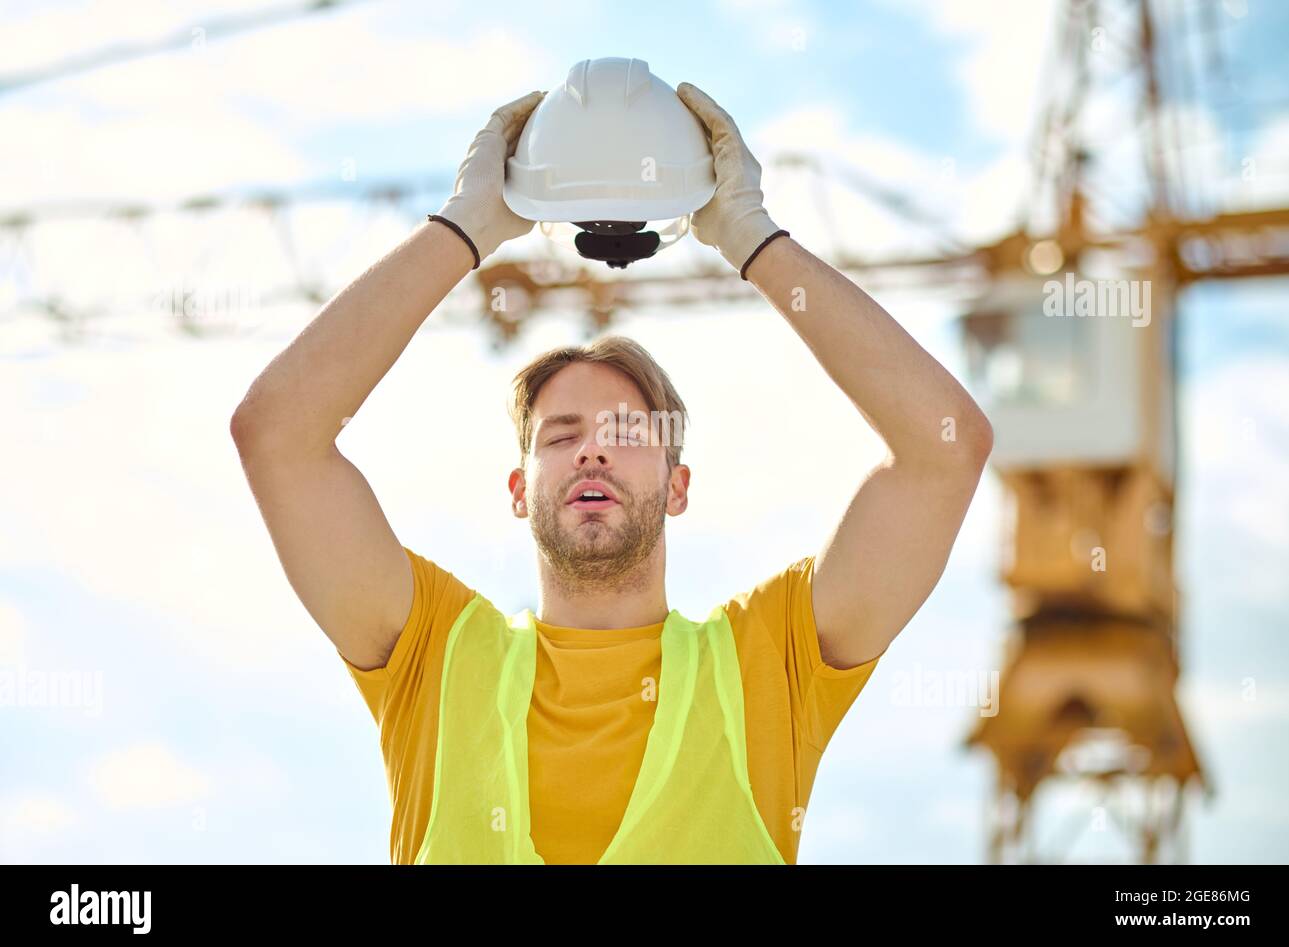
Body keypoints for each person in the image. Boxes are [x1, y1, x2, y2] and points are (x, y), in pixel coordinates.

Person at [230, 83, 993, 864]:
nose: (591, 451)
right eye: (560, 436)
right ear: (520, 492)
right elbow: (277, 433)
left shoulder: (768, 665)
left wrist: (752, 239)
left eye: (625, 432)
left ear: (678, 485)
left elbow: (946, 446)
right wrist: (468, 227)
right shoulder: (436, 658)